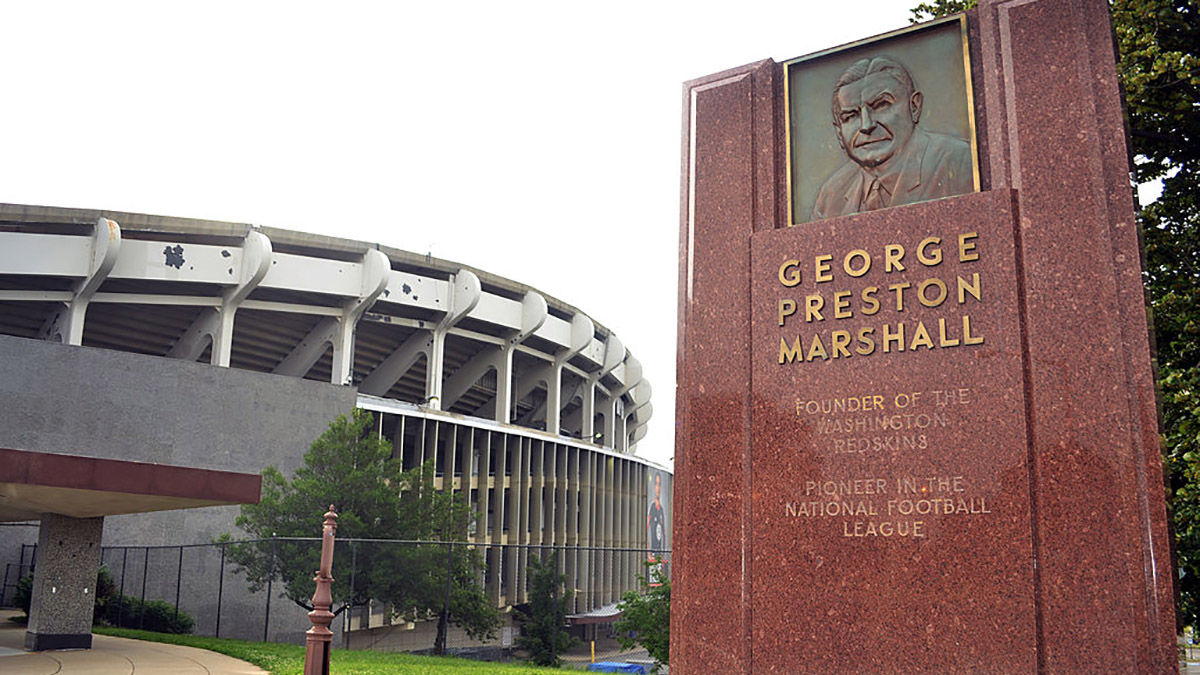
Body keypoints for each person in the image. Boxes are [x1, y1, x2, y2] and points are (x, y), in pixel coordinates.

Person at [811, 55, 973, 220]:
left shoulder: (961, 162)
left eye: (881, 105)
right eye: (850, 116)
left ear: (914, 107)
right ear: (839, 133)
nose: (866, 126)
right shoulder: (831, 195)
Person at [647, 473, 665, 553]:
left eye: (659, 485)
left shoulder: (661, 509)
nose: (658, 488)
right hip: (652, 551)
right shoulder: (652, 507)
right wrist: (648, 552)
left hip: (659, 552)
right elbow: (647, 530)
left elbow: (664, 533)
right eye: (656, 484)